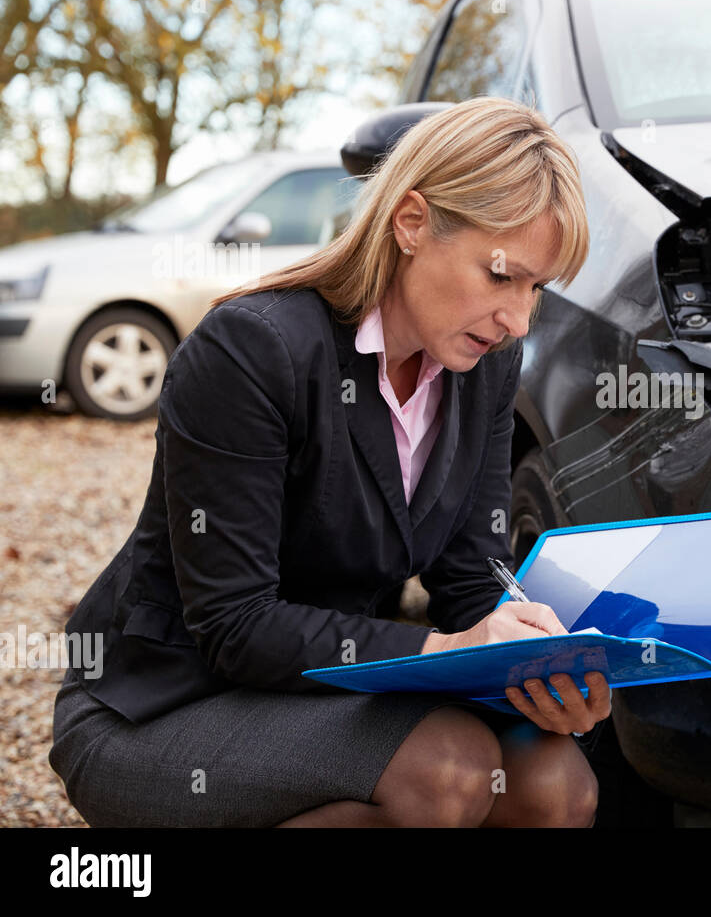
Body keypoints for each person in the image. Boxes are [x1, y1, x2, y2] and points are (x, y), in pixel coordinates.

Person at [48, 96, 606, 827]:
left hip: (327, 693)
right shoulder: (251, 351)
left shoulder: (486, 366)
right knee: (449, 769)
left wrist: (532, 669)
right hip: (161, 708)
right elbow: (235, 623)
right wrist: (444, 647)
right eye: (500, 277)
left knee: (554, 782)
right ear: (411, 223)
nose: (519, 320)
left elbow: (469, 575)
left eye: (537, 287)